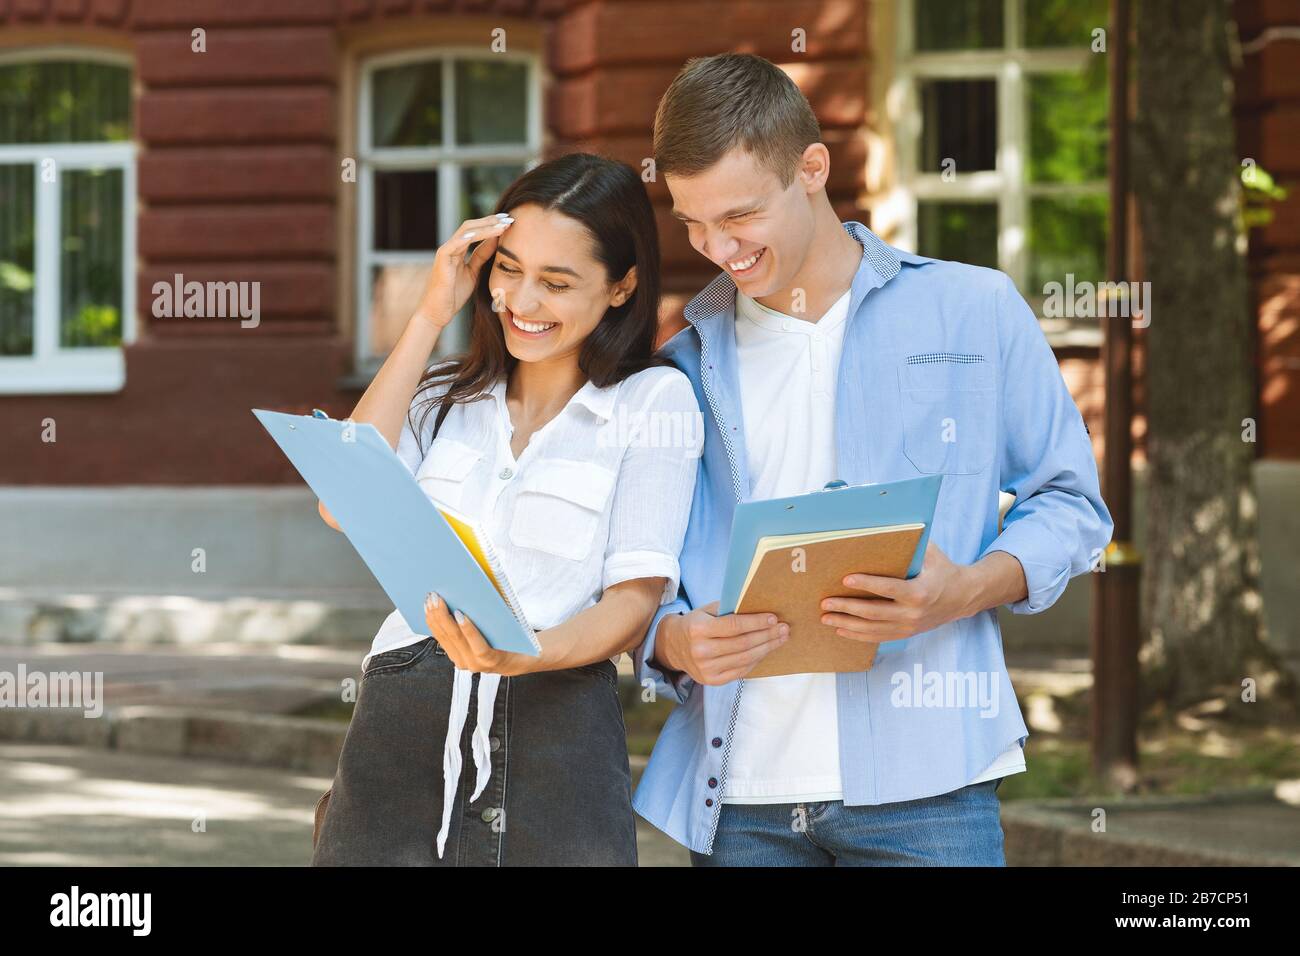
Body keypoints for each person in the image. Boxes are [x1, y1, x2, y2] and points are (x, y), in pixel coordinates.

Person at [632, 53, 1114, 866]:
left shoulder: (974, 311)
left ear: (811, 169)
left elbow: (1072, 505)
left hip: (930, 788)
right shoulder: (681, 366)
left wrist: (965, 589)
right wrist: (671, 641)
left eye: (739, 216)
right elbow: (641, 564)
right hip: (741, 800)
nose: (718, 247)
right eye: (692, 223)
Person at [311, 152, 703, 866]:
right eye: (508, 269)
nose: (522, 303)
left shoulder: (653, 404)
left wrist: (524, 654)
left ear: (622, 287)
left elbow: (635, 599)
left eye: (557, 282)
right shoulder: (440, 399)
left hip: (556, 724)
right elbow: (342, 502)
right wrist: (431, 313)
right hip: (404, 712)